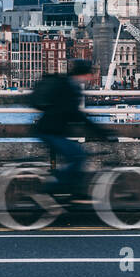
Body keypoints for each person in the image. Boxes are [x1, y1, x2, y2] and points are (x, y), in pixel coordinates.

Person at [27, 58, 114, 198]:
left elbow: (74, 114)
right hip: (50, 132)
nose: (91, 77)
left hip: (52, 130)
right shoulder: (70, 87)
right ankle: (51, 190)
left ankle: (71, 191)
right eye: (89, 74)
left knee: (75, 157)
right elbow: (77, 115)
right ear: (83, 74)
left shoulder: (67, 84)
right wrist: (101, 132)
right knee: (78, 157)